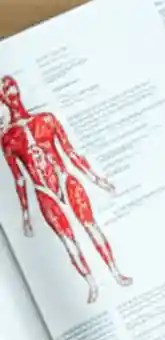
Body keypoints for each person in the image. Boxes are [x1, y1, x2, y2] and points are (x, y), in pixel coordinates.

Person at [1, 75, 131, 304]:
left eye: (8, 84)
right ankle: (91, 283)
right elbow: (19, 178)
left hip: (64, 180)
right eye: (3, 89)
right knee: (68, 241)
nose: (7, 89)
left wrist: (96, 179)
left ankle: (115, 272)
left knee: (91, 227)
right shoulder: (8, 138)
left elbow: (70, 152)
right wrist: (25, 214)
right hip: (44, 191)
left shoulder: (46, 119)